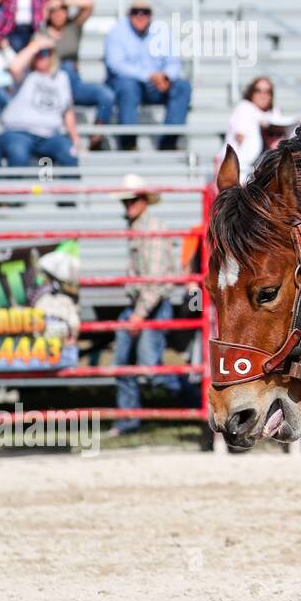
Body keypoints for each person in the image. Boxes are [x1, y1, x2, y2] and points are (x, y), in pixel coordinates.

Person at [110, 174, 180, 437]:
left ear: (143, 201)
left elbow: (155, 281)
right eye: (125, 201)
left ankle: (200, 402)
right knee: (123, 365)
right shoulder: (139, 227)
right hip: (140, 304)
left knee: (152, 370)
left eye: (132, 200)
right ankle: (129, 419)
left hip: (151, 305)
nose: (128, 205)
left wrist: (138, 315)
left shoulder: (152, 230)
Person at [104, 0, 191, 150]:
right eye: (135, 12)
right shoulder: (117, 31)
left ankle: (168, 142)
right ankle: (128, 142)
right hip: (128, 85)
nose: (140, 16)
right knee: (128, 86)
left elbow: (174, 62)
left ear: (151, 15)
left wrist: (165, 76)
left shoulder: (162, 30)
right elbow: (116, 64)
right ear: (129, 13)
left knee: (182, 86)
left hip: (155, 85)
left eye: (145, 12)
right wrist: (149, 76)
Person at [0, 33, 80, 169]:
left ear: (52, 55)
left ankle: (55, 183)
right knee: (18, 153)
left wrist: (75, 138)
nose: (41, 56)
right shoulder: (25, 73)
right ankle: (14, 184)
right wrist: (35, 45)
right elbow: (14, 67)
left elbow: (67, 111)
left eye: (46, 52)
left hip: (49, 136)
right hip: (19, 132)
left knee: (68, 153)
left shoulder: (61, 77)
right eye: (38, 53)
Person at [39, 0, 113, 143]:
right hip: (51, 85)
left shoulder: (72, 28)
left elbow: (90, 3)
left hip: (74, 85)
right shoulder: (41, 32)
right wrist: (45, 8)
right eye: (55, 11)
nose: (59, 14)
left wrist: (63, 1)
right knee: (65, 68)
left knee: (106, 95)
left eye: (62, 10)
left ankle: (96, 137)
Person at [222, 76, 294, 180]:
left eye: (267, 91)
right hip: (241, 167)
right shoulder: (244, 108)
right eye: (258, 91)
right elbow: (241, 139)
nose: (263, 95)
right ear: (251, 92)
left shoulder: (275, 111)